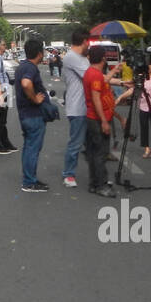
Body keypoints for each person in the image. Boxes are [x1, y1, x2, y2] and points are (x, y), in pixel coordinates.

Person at [83, 45, 123, 197]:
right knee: (101, 153)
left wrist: (114, 72)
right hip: (98, 119)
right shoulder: (94, 75)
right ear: (103, 59)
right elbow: (96, 99)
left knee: (94, 153)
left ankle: (95, 183)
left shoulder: (93, 73)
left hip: (94, 118)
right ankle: (101, 185)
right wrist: (104, 122)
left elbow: (103, 80)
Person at [16, 38, 51, 192]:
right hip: (32, 115)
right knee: (32, 148)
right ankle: (29, 182)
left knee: (28, 147)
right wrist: (35, 98)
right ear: (39, 53)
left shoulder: (22, 66)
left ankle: (29, 178)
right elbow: (26, 83)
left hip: (26, 114)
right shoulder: (30, 68)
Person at [61, 28, 91, 186]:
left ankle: (96, 175)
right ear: (85, 41)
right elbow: (91, 78)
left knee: (91, 143)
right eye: (89, 42)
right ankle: (68, 174)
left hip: (86, 106)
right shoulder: (72, 57)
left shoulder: (82, 58)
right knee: (75, 143)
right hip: (77, 107)